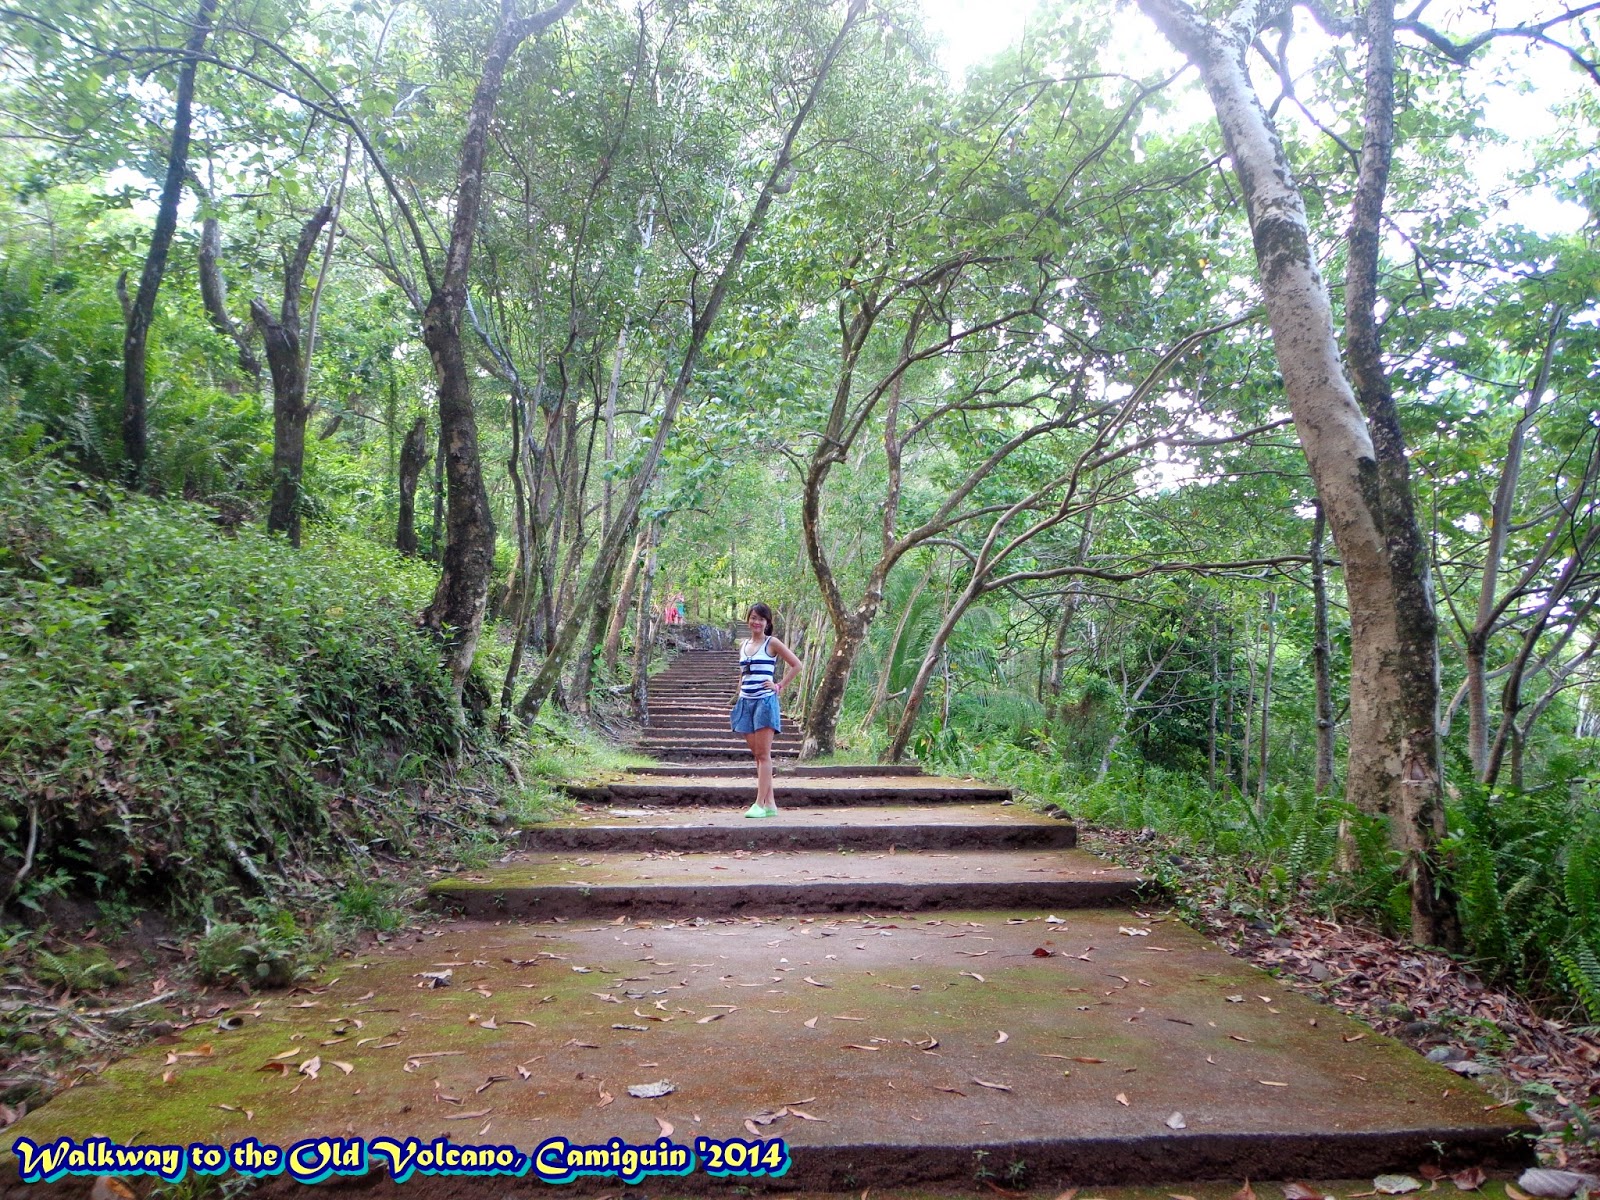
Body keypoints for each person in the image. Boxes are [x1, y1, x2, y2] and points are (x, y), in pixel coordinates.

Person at [729, 603, 801, 818]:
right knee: (757, 754)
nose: (756, 622)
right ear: (748, 620)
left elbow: (797, 665)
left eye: (761, 619)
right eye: (753, 617)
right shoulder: (743, 645)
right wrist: (738, 691)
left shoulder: (772, 643)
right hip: (746, 702)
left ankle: (759, 804)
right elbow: (744, 673)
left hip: (765, 702)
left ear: (767, 622)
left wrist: (779, 686)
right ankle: (770, 803)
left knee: (763, 755)